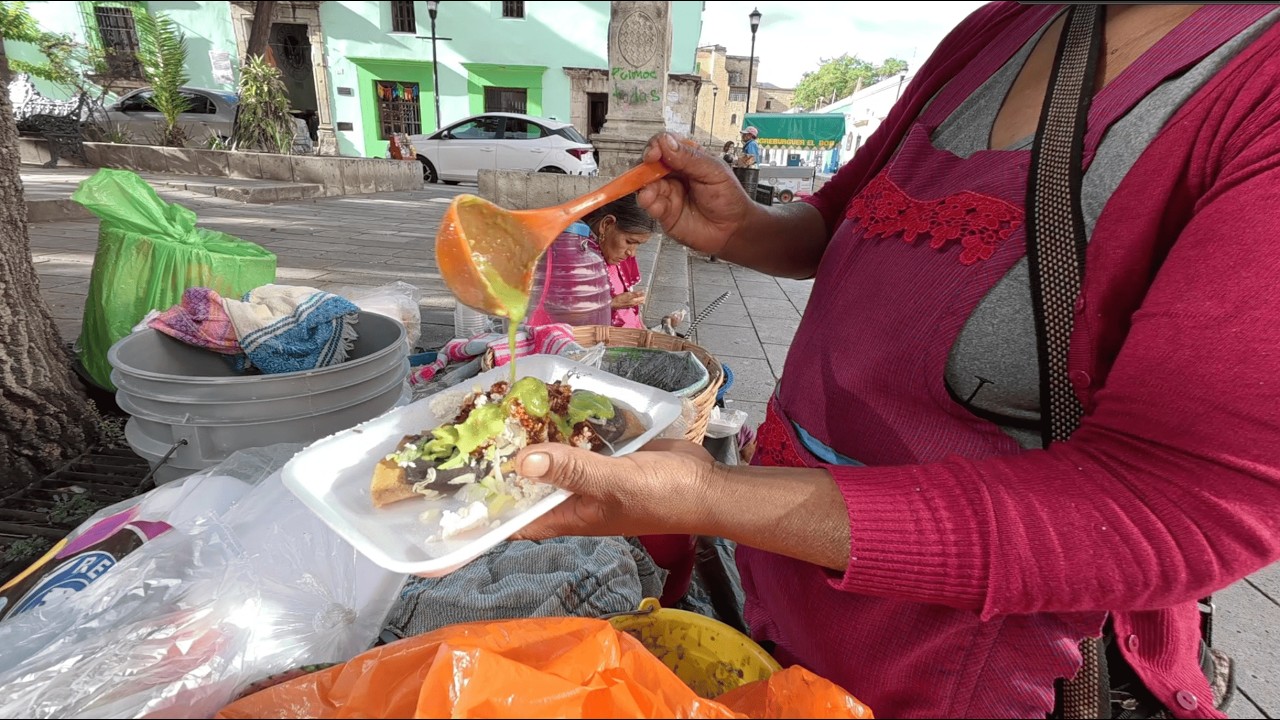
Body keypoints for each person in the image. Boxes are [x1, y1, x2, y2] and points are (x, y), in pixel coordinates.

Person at [509, 3, 1280, 719]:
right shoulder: (1001, 29)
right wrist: (744, 228)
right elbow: (841, 216)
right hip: (796, 584)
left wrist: (711, 495)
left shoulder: (1253, 86)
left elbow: (1173, 508)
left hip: (966, 659)